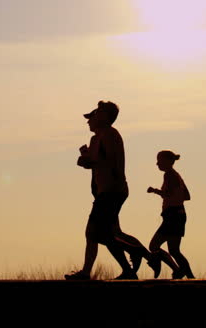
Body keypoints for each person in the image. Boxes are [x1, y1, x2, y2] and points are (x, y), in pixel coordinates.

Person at [65, 101, 150, 280]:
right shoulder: (96, 138)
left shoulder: (110, 134)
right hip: (104, 191)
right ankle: (126, 268)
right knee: (105, 233)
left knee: (94, 232)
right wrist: (87, 159)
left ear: (104, 116)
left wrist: (88, 160)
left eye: (93, 115)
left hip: (113, 190)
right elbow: (98, 163)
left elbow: (111, 162)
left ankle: (135, 251)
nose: (89, 121)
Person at [145, 150, 195, 279]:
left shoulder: (169, 175)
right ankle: (189, 276)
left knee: (154, 245)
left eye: (159, 161)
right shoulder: (176, 176)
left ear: (167, 161)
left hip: (173, 216)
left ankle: (177, 270)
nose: (157, 164)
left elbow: (168, 194)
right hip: (178, 214)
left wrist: (155, 191)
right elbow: (187, 196)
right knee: (174, 250)